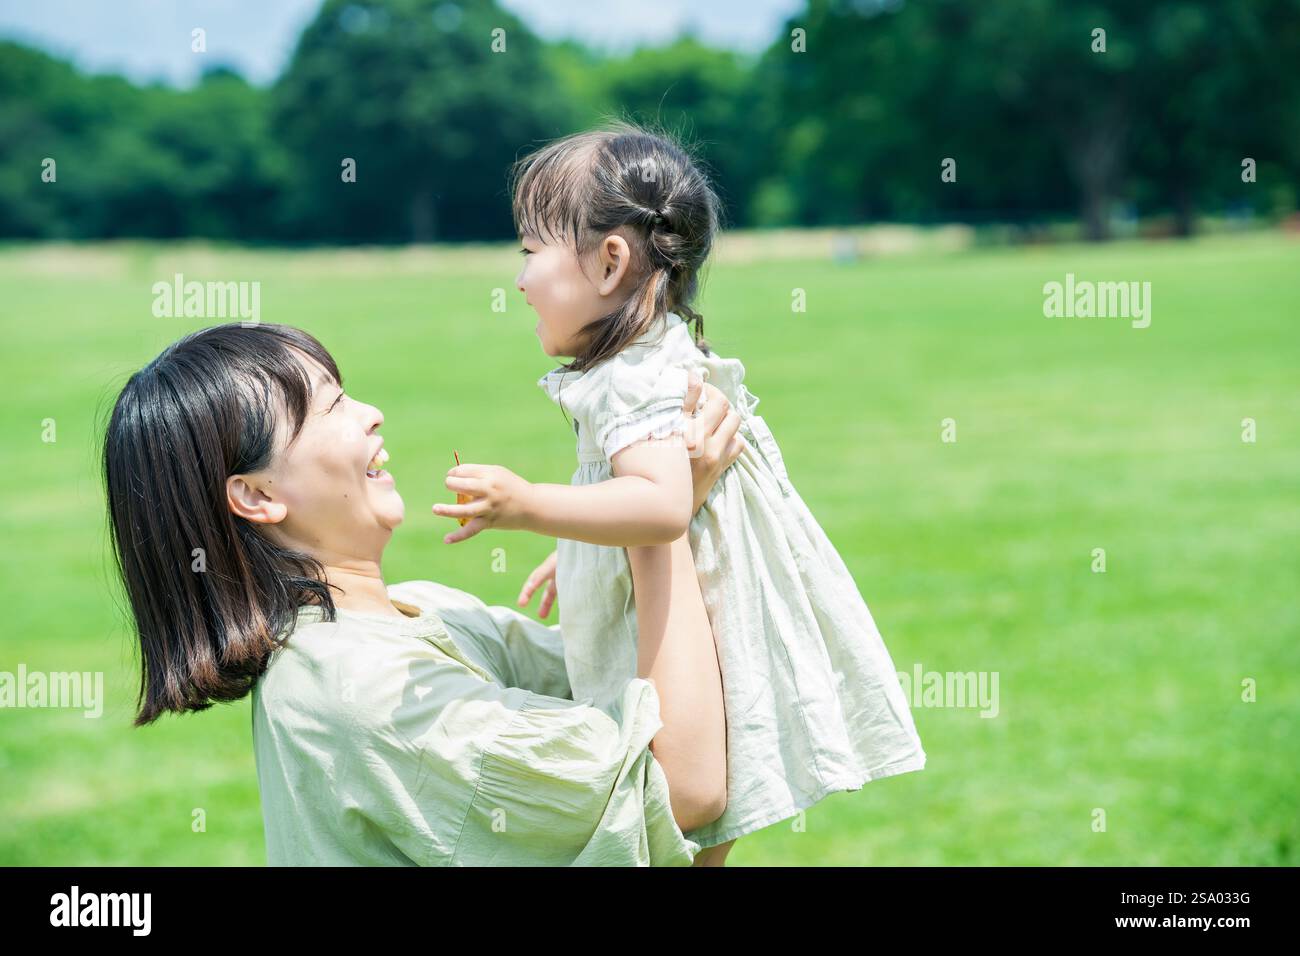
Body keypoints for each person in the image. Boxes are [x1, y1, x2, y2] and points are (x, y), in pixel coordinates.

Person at [430, 122, 927, 863]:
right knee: (685, 840)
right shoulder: (648, 356)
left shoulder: (632, 378)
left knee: (675, 820)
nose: (519, 278)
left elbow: (661, 507)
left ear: (609, 262)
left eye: (532, 250)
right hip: (706, 609)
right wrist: (579, 550)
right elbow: (654, 499)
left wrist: (525, 505)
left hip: (699, 625)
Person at [102, 322, 743, 866]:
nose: (370, 412)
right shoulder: (365, 692)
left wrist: (611, 543)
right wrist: (659, 521)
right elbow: (682, 789)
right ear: (259, 496)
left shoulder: (419, 609)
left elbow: (623, 685)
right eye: (330, 407)